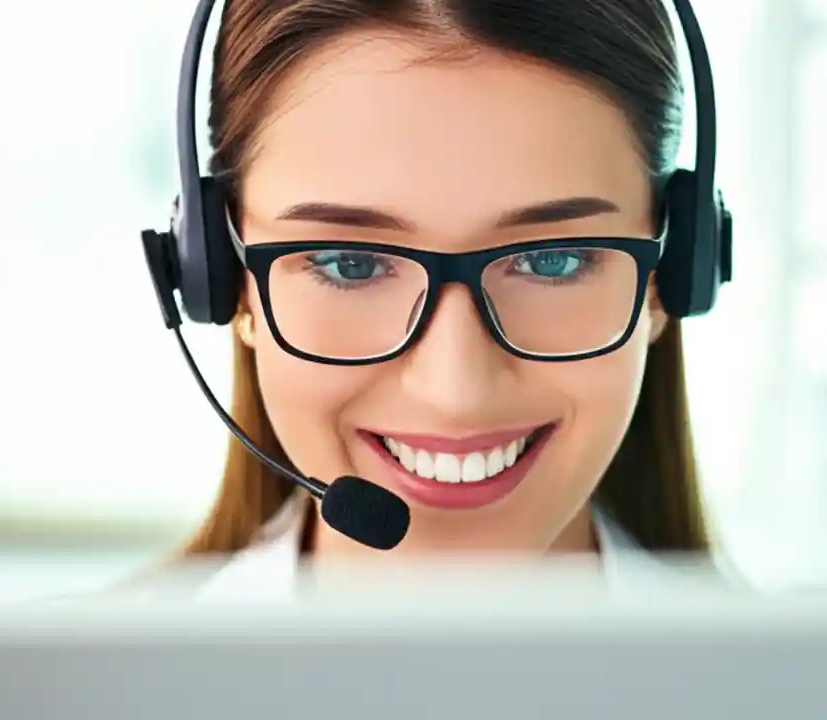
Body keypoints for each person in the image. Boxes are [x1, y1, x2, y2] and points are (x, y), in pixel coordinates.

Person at [137, 0, 731, 598]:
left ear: (668, 277)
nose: (456, 394)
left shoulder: (803, 692)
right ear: (225, 282)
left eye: (553, 260)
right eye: (353, 264)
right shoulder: (93, 689)